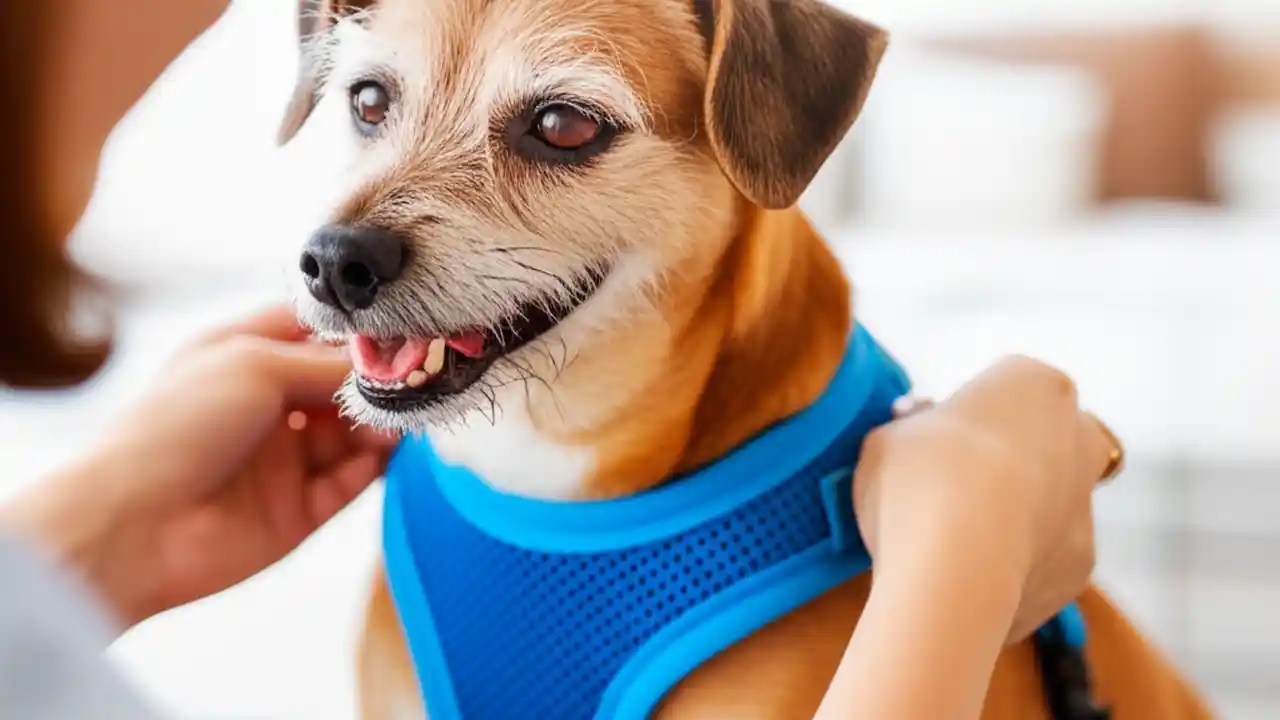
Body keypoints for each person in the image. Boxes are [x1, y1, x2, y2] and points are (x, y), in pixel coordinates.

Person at [0, 3, 1122, 719]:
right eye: (374, 99)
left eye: (560, 129)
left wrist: (85, 540)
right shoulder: (424, 547)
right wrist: (958, 569)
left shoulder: (836, 546)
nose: (356, 240)